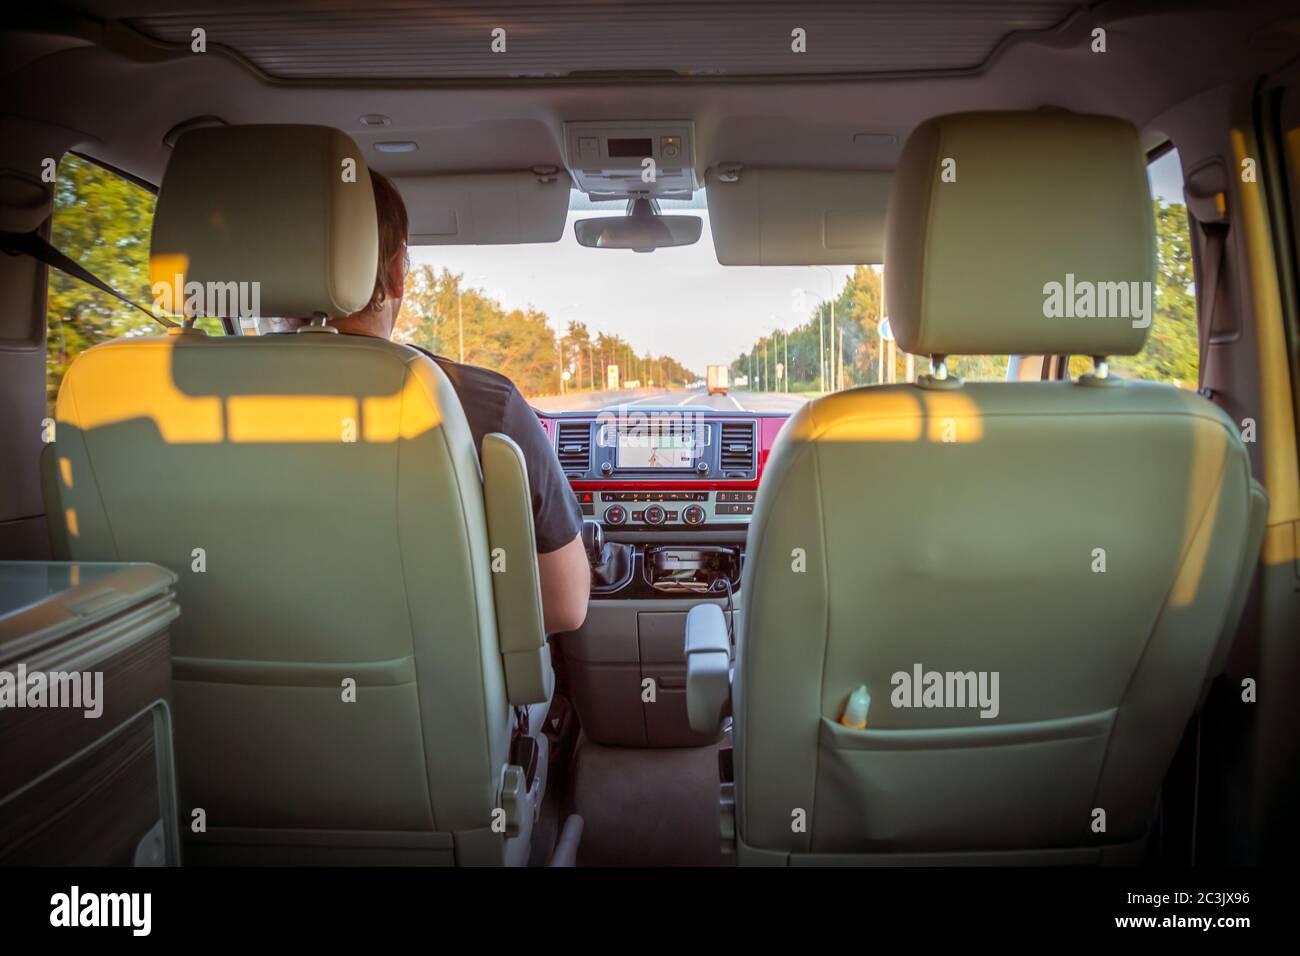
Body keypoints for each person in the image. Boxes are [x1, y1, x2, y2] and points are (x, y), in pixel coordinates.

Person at [289, 170, 589, 634]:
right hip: (437, 705)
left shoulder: (184, 405)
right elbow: (565, 606)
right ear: (395, 273)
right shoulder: (481, 404)